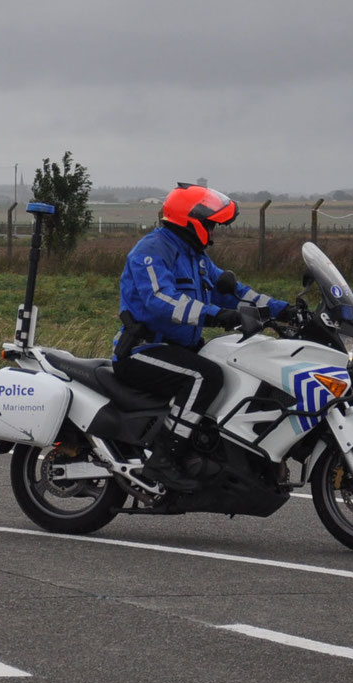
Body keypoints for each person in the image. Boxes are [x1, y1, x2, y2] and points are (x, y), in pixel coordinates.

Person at [112, 185, 286, 484]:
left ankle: (211, 453)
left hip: (179, 348)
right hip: (143, 350)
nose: (213, 231)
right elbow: (160, 300)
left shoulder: (196, 257)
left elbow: (234, 293)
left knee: (233, 367)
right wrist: (215, 315)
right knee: (204, 376)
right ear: (190, 221)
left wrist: (282, 310)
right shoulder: (151, 251)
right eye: (210, 224)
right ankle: (165, 459)